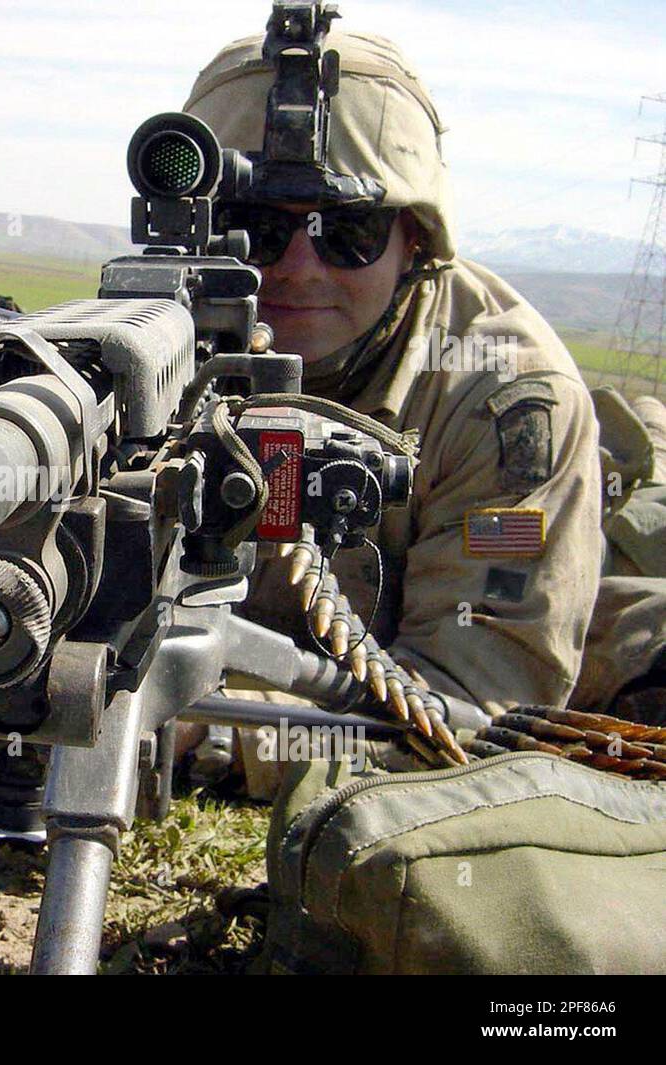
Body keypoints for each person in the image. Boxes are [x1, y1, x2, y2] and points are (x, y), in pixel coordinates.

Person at [178, 30, 614, 786]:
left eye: (347, 231)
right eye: (257, 225)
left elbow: (472, 710)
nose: (296, 268)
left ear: (415, 238)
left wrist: (213, 738)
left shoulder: (506, 410)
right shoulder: (150, 342)